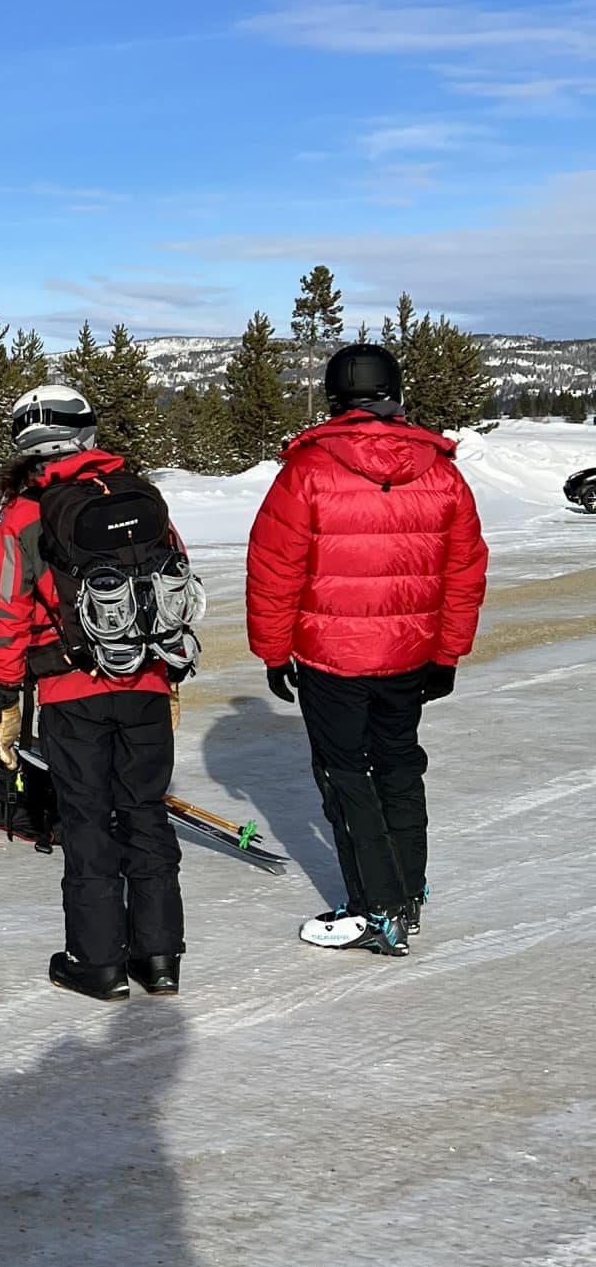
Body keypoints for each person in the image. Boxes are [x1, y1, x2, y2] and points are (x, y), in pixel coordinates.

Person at [246, 342, 487, 959]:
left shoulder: (308, 469)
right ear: (393, 393)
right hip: (409, 655)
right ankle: (405, 888)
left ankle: (376, 909)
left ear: (336, 398)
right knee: (400, 766)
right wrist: (447, 652)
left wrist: (275, 652)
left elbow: (274, 568)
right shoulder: (441, 470)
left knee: (346, 775)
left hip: (332, 660)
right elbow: (465, 570)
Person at [0, 384, 193, 1000]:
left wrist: (5, 697)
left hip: (71, 693)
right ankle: (158, 959)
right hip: (149, 682)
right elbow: (175, 583)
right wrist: (169, 676)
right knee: (145, 813)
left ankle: (96, 963)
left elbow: (7, 612)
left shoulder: (24, 515)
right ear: (89, 434)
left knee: (87, 822)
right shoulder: (144, 497)